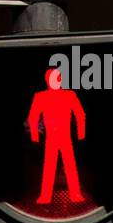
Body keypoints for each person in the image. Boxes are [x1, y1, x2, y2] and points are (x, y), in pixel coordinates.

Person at [26, 67, 86, 204]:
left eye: (57, 79)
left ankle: (75, 194)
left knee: (69, 165)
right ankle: (46, 195)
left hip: (65, 135)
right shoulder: (40, 97)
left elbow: (80, 114)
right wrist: (35, 136)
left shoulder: (69, 95)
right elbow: (33, 117)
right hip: (51, 137)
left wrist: (80, 134)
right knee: (50, 166)